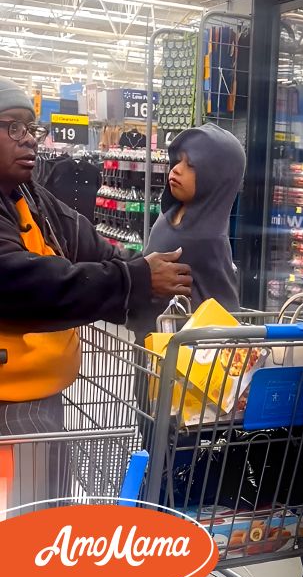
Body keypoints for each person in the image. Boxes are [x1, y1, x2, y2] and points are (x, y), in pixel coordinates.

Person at [0, 78, 191, 504]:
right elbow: (18, 282)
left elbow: (87, 242)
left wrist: (142, 270)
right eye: (13, 127)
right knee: (24, 525)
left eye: (32, 129)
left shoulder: (29, 197)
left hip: (38, 399)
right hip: (8, 409)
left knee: (45, 514)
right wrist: (136, 279)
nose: (29, 140)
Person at [128, 123, 244, 338]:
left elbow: (225, 299)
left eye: (191, 165)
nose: (176, 169)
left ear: (216, 178)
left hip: (187, 354)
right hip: (151, 336)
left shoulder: (210, 238)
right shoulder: (168, 216)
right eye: (177, 161)